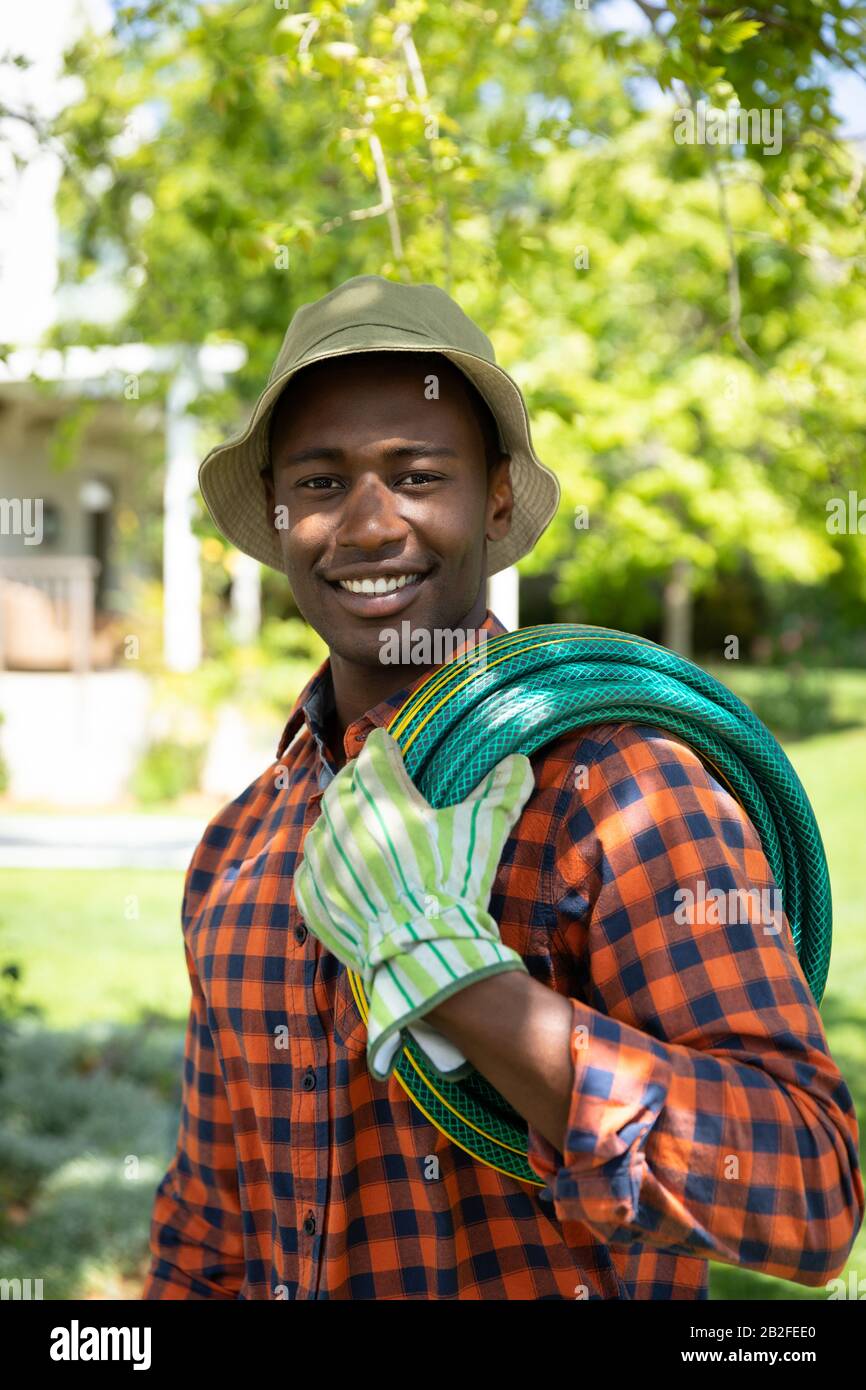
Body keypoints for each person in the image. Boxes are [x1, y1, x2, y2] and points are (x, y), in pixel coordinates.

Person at [142, 274, 863, 1300]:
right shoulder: (241, 846)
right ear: (277, 512)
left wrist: (460, 983)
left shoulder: (615, 792)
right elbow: (208, 1235)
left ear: (491, 493)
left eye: (416, 473)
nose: (366, 524)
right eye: (318, 482)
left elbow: (805, 1190)